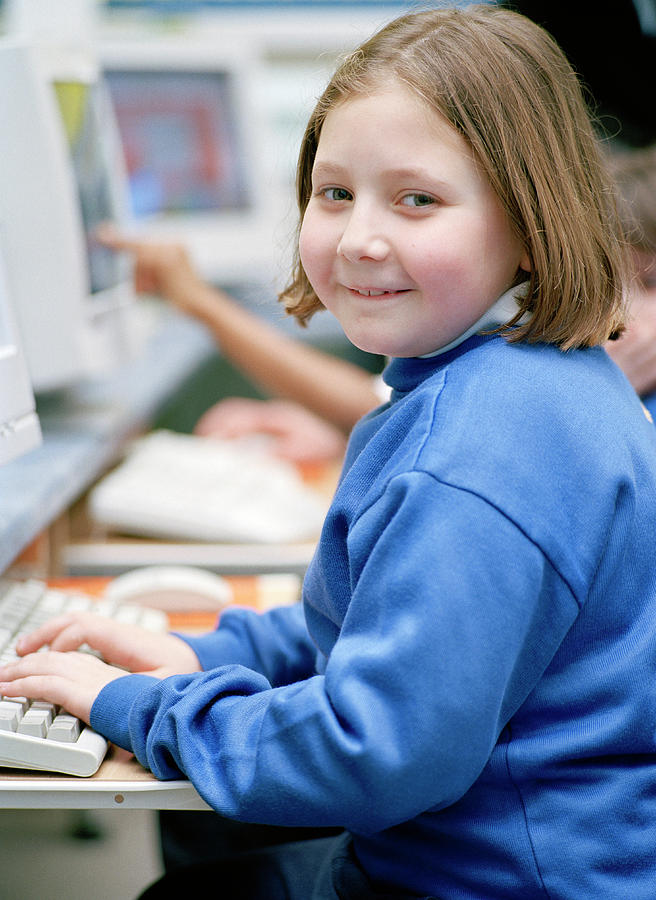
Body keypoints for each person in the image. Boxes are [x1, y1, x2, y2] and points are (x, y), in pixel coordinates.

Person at [3, 5, 656, 898]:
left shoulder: (478, 452)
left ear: (530, 214)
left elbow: (375, 753)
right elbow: (385, 628)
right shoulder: (529, 376)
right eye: (334, 191)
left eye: (417, 199)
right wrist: (204, 655)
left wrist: (132, 705)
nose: (359, 238)